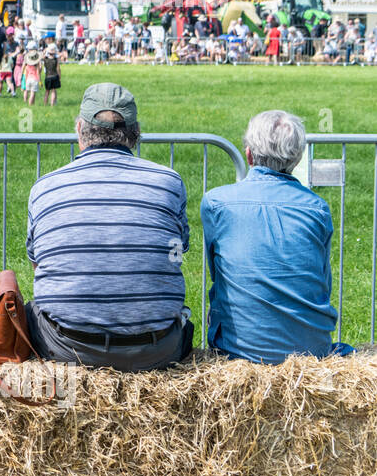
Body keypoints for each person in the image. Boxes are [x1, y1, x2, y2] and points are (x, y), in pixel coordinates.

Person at [23, 83, 192, 371]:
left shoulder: (45, 187)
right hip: (157, 349)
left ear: (80, 129)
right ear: (136, 132)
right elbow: (177, 253)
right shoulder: (169, 182)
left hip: (66, 348)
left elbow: (40, 265)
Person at [202, 111, 348, 364]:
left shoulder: (216, 203)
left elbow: (219, 273)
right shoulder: (317, 208)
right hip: (311, 351)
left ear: (248, 154)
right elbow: (322, 281)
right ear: (298, 157)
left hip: (238, 350)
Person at [42, 38, 61, 106]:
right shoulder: (56, 60)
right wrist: (59, 76)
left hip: (47, 77)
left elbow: (42, 56)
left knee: (47, 91)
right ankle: (52, 104)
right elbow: (58, 68)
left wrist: (45, 51)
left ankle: (45, 103)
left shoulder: (45, 59)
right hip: (55, 76)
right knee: (53, 91)